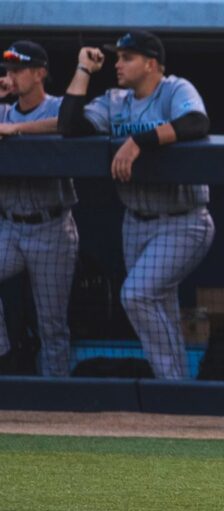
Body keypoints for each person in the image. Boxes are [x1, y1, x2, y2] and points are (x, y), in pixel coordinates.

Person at [58, 31, 213, 380]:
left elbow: (196, 123)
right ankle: (176, 388)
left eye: (127, 57)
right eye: (117, 57)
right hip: (136, 220)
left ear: (151, 63)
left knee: (136, 295)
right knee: (160, 303)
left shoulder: (175, 89)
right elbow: (70, 126)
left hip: (183, 219)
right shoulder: (115, 99)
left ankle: (172, 382)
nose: (118, 64)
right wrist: (83, 70)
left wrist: (137, 141)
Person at [0, 41, 79, 376]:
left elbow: (71, 122)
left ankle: (56, 400)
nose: (11, 75)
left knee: (52, 324)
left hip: (52, 227)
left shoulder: (59, 107)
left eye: (19, 69)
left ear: (40, 73)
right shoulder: (2, 109)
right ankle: (3, 358)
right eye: (8, 70)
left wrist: (18, 129)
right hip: (10, 227)